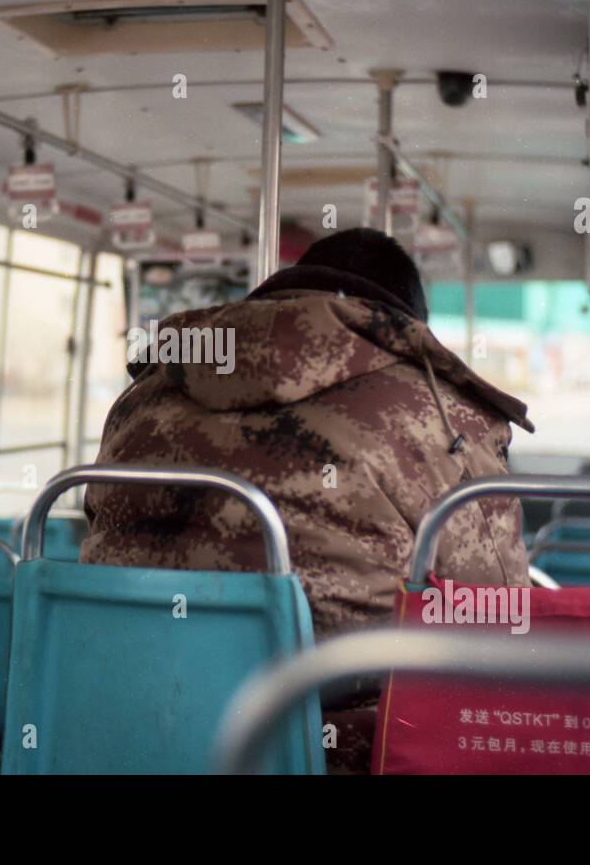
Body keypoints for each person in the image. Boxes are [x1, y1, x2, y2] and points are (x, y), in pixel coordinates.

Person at [81, 227, 534, 774]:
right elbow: (498, 623)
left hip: (118, 733)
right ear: (407, 324)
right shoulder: (442, 417)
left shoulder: (143, 397)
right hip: (329, 755)